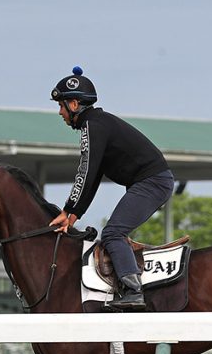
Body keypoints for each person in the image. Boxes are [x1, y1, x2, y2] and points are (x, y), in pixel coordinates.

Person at [48, 66, 174, 311]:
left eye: (62, 106)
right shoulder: (96, 123)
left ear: (74, 104)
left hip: (152, 182)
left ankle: (134, 291)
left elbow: (84, 173)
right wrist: (74, 214)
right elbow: (92, 176)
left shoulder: (92, 126)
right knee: (114, 232)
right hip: (150, 181)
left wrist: (68, 209)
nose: (60, 112)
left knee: (112, 234)